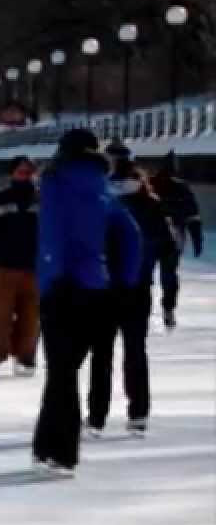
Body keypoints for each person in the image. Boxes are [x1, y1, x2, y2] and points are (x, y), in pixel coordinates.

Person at [32, 129, 142, 477]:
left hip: (61, 288)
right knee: (67, 370)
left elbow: (53, 235)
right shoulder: (105, 190)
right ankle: (46, 446)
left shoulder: (53, 184)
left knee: (61, 371)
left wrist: (52, 276)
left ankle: (61, 452)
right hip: (99, 290)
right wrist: (124, 281)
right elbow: (132, 238)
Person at [87, 156, 178, 438]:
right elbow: (168, 254)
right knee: (135, 351)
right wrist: (168, 298)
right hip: (138, 289)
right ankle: (138, 413)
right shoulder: (153, 207)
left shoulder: (100, 205)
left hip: (105, 288)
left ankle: (97, 417)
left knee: (101, 353)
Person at [0, 156, 41, 376]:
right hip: (5, 268)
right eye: (20, 171)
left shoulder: (43, 200)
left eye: (28, 171)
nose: (24, 175)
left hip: (35, 271)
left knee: (31, 319)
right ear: (11, 173)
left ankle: (26, 358)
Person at [151, 150, 203, 331]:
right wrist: (197, 239)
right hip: (173, 237)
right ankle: (168, 308)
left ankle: (138, 307)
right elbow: (193, 215)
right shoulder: (182, 187)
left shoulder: (151, 184)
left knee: (142, 275)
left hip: (150, 237)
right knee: (169, 275)